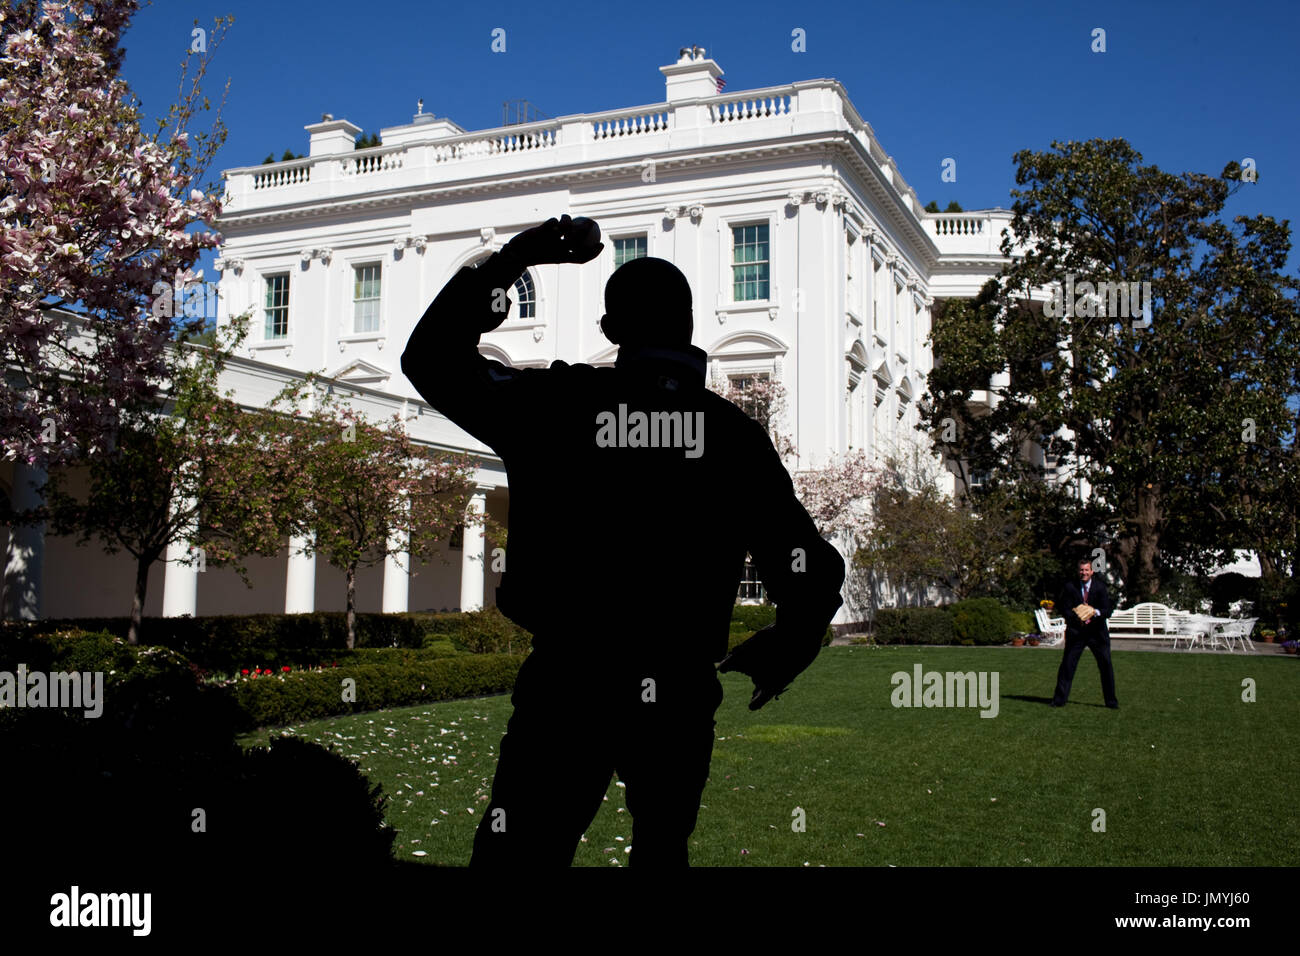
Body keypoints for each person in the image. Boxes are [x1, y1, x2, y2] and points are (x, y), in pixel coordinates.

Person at [401, 215, 846, 866]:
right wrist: (793, 640)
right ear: (690, 331)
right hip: (677, 688)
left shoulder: (557, 404)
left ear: (611, 331)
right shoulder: (732, 437)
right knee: (661, 855)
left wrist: (511, 261)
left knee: (518, 858)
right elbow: (806, 569)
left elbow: (429, 359)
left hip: (568, 681)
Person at [1050, 557, 1118, 708]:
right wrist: (1078, 617)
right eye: (1081, 570)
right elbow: (1064, 608)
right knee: (1067, 666)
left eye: (1086, 570)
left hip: (1097, 633)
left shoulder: (1100, 587)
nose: (1084, 573)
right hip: (1077, 633)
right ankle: (1059, 700)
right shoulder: (1070, 587)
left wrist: (1094, 612)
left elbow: (1108, 610)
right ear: (1078, 571)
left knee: (1106, 666)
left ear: (1092, 571)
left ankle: (1111, 701)